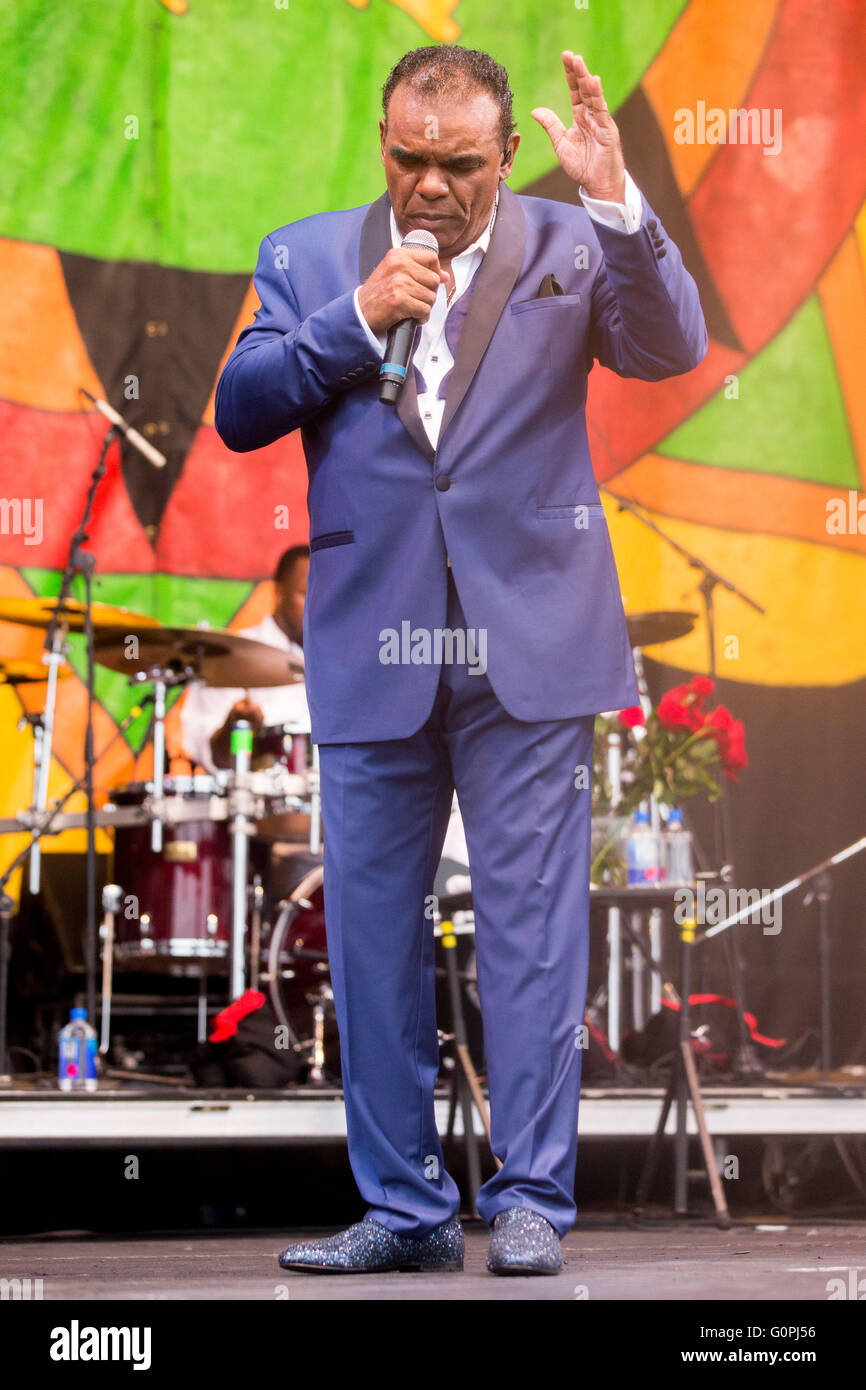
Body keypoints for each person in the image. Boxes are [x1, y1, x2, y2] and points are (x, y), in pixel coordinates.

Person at [216, 45, 707, 1276]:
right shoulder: (305, 254)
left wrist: (619, 203)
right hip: (372, 640)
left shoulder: (572, 241)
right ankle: (404, 1204)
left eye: (460, 165)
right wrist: (355, 317)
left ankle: (531, 1193)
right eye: (407, 157)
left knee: (530, 933)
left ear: (507, 156)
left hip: (528, 642)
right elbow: (240, 407)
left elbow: (670, 346)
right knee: (373, 937)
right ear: (383, 137)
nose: (428, 185)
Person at [180, 545, 309, 775]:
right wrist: (235, 726)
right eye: (305, 594)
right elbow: (212, 757)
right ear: (278, 592)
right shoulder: (231, 654)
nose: (315, 606)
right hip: (254, 802)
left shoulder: (338, 661)